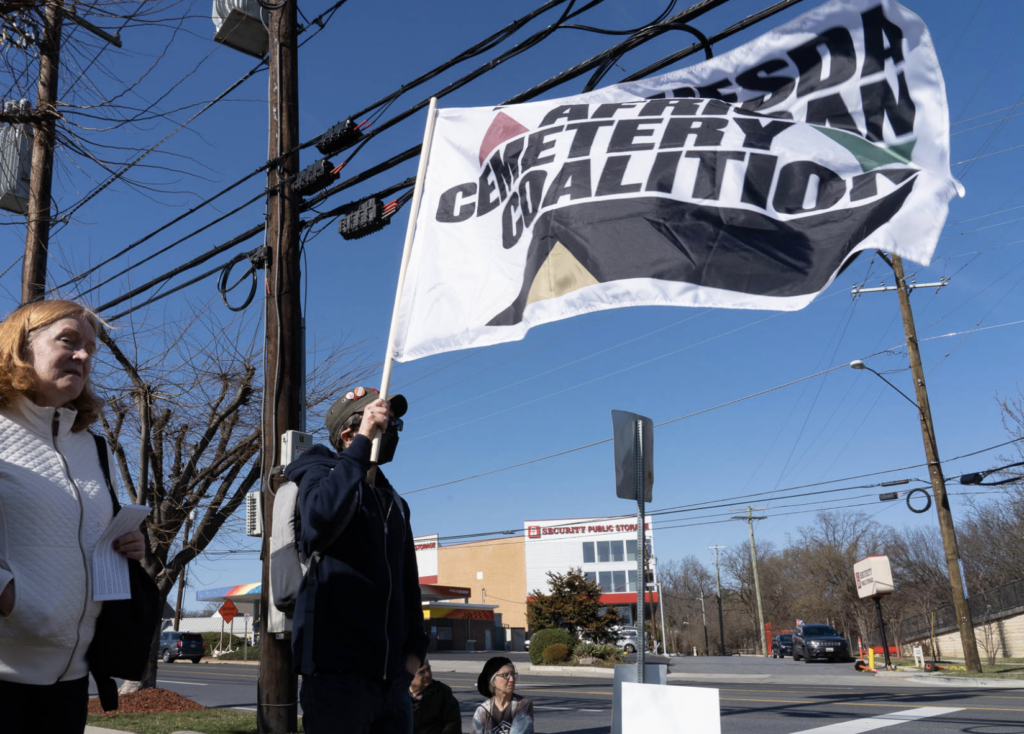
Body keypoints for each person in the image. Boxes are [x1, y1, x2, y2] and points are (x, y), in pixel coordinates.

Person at [0, 300, 145, 734]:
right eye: (69, 341)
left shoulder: (92, 445)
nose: (84, 356)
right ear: (20, 348)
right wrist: (7, 594)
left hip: (71, 680)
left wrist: (129, 545)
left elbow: (89, 533)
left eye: (90, 349)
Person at [285, 385, 428, 734]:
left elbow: (408, 581)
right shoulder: (317, 473)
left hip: (392, 681)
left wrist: (414, 652)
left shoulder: (394, 501)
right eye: (382, 421)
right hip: (336, 676)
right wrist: (363, 443)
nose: (390, 428)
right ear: (349, 433)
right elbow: (319, 518)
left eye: (394, 423)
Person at [472, 657, 534, 734]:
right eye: (505, 675)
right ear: (493, 681)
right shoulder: (482, 711)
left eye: (513, 674)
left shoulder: (522, 705)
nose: (512, 679)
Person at [410, 658, 461, 734]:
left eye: (428, 669)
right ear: (409, 675)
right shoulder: (398, 695)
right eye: (421, 672)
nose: (427, 674)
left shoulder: (442, 692)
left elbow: (453, 723)